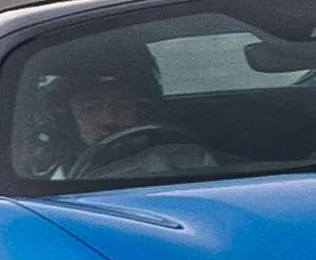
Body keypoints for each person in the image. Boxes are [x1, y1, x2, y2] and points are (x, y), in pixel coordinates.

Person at [39, 37, 221, 180]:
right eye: (90, 108)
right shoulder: (52, 177)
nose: (109, 118)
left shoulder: (189, 159)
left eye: (123, 105)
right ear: (66, 117)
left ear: (143, 109)